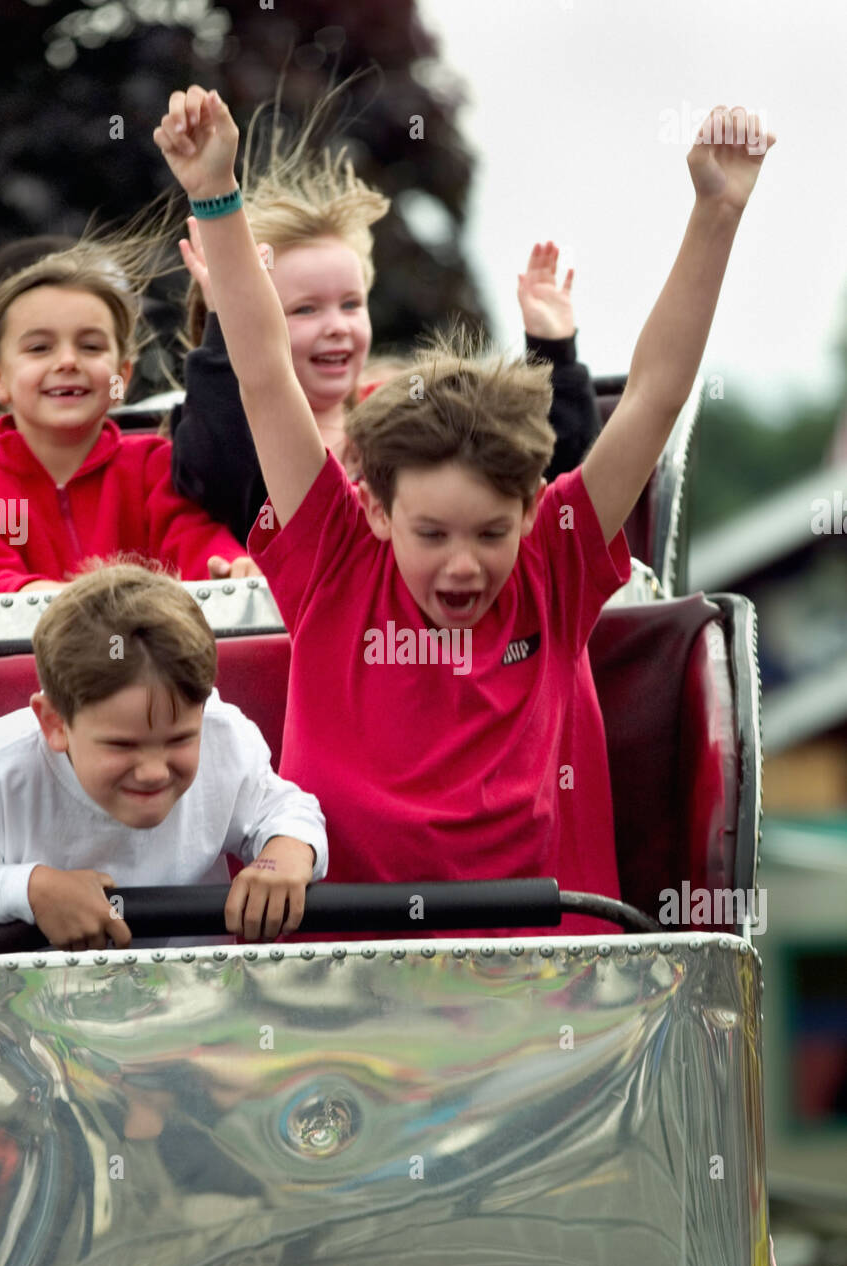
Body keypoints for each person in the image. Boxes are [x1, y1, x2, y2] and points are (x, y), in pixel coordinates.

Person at [154, 88, 773, 938]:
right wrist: (215, 195)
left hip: (545, 978)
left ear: (530, 511)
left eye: (490, 533)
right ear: (373, 510)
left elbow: (656, 397)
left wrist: (716, 210)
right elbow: (264, 373)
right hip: (348, 975)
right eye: (432, 534)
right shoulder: (333, 554)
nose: (463, 566)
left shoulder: (555, 561)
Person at [171, 138, 598, 547]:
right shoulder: (217, 439)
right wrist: (229, 322)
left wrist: (553, 353)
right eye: (305, 310)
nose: (337, 325)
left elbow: (540, 472)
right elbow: (218, 475)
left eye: (351, 304)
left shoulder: (416, 417)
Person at [0, 562, 327, 949]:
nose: (153, 772)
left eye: (180, 739)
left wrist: (285, 852)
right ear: (55, 724)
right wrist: (30, 888)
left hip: (205, 999)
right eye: (122, 745)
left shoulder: (223, 737)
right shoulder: (1, 772)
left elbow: (288, 808)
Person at [0, 243, 259, 592]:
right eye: (40, 348)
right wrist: (50, 598)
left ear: (123, 377)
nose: (68, 361)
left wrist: (232, 568)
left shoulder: (152, 466)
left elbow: (195, 539)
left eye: (91, 346)